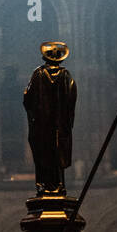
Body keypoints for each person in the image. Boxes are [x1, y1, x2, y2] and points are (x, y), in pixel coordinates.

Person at [23, 41, 77, 197]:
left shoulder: (38, 74)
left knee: (42, 156)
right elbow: (72, 98)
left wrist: (35, 114)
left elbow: (27, 98)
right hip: (60, 125)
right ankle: (59, 185)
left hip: (41, 126)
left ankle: (43, 186)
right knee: (57, 154)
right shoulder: (66, 76)